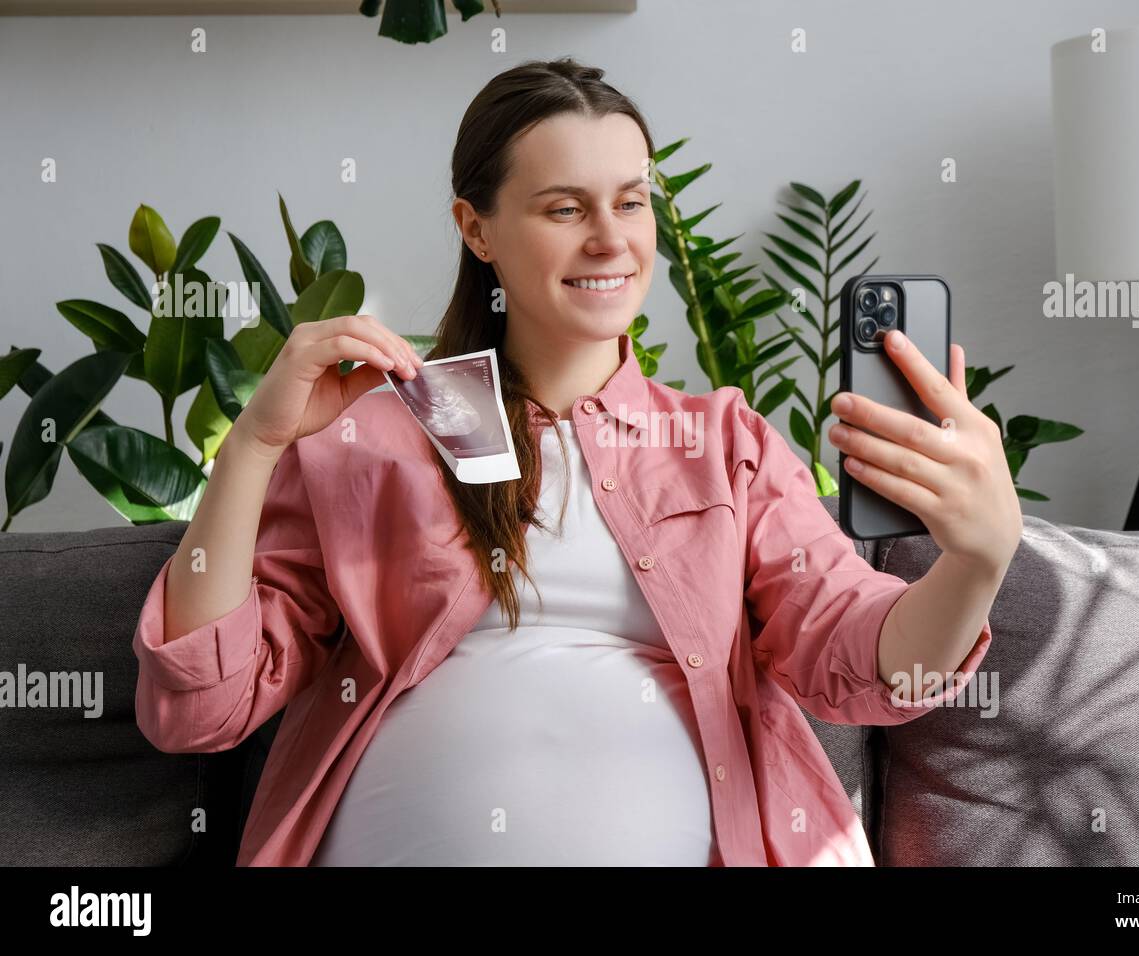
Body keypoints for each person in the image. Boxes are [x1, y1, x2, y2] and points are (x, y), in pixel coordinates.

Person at [132, 57, 1021, 866]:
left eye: (631, 202)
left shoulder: (726, 444)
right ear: (476, 230)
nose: (610, 239)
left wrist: (977, 561)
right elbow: (200, 710)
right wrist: (255, 444)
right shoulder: (378, 440)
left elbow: (867, 669)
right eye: (565, 208)